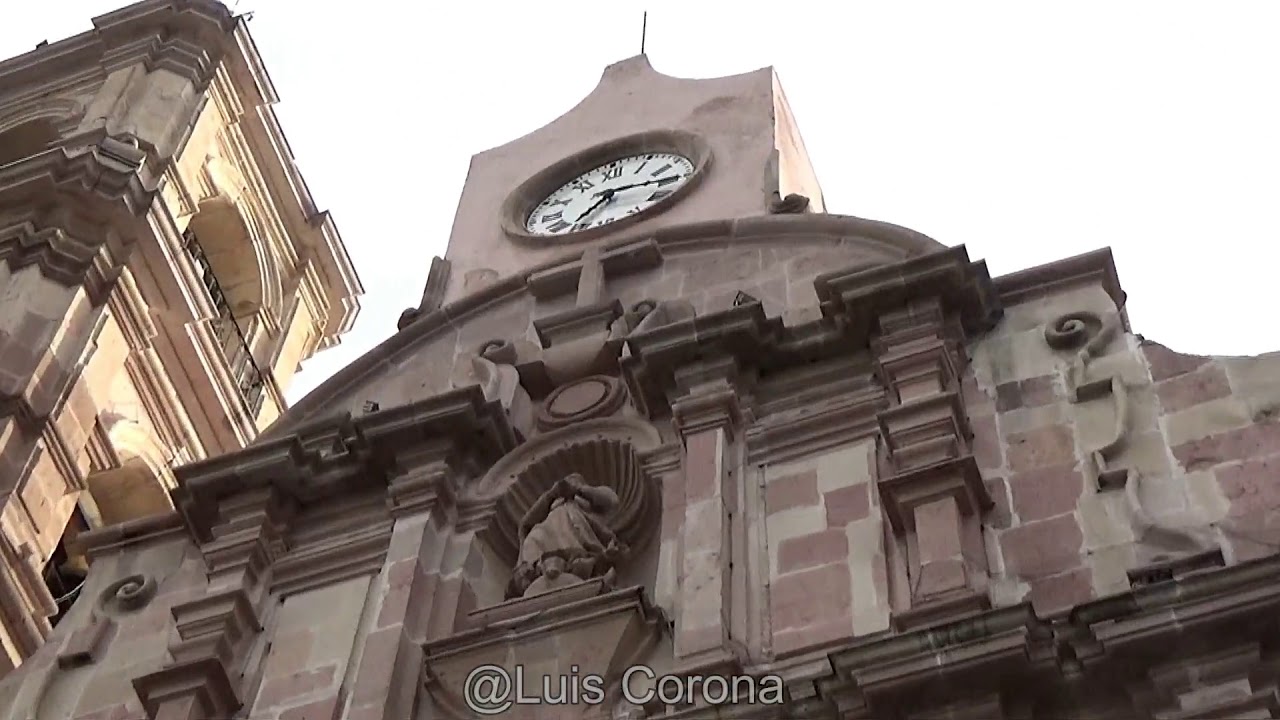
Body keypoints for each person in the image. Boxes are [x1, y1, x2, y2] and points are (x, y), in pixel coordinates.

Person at [506, 473, 627, 599]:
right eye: (567, 482)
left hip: (578, 534)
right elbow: (526, 524)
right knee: (534, 540)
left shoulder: (586, 499)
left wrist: (579, 489)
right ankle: (540, 571)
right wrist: (552, 494)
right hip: (547, 534)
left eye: (572, 480)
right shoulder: (554, 502)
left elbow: (612, 501)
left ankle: (572, 568)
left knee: (577, 555)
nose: (568, 482)